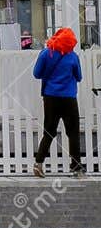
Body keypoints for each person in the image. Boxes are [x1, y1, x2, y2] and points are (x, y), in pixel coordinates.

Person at [33, 26, 85, 175]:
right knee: (73, 133)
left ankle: (38, 163)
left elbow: (36, 74)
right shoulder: (73, 56)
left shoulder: (46, 53)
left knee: (49, 131)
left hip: (50, 98)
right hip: (69, 98)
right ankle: (76, 167)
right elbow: (79, 77)